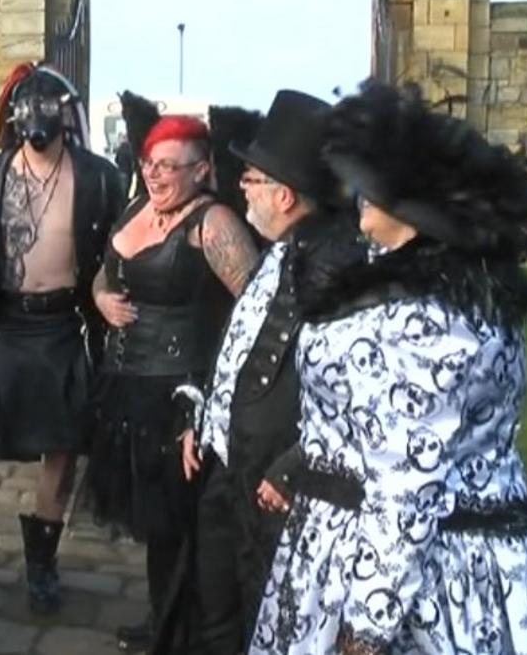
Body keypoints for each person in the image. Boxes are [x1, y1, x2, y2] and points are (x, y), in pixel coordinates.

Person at [250, 81, 527, 654]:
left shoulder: (431, 321)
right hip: (361, 539)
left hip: (422, 578)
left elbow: (406, 488)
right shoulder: (437, 285)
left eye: (375, 193)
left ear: (417, 212)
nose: (362, 204)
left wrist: (366, 632)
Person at [154, 90, 365, 654]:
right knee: (213, 605)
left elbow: (357, 394)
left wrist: (296, 464)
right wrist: (200, 411)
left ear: (285, 194)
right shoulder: (279, 249)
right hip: (230, 463)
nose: (240, 187)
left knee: (260, 616)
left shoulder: (336, 270)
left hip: (272, 483)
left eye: (250, 178)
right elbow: (239, 351)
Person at [0, 62, 126, 614]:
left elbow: (120, 253)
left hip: (64, 326)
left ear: (65, 117)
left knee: (62, 450)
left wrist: (105, 299)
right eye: (33, 113)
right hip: (6, 327)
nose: (42, 121)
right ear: (18, 120)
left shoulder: (98, 176)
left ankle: (42, 560)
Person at [84, 95, 259, 652]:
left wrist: (207, 403)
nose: (155, 174)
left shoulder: (215, 223)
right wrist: (102, 298)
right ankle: (163, 617)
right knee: (155, 527)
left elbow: (257, 316)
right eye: (149, 163)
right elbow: (101, 273)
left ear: (203, 169)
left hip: (179, 394)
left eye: (169, 165)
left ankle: (185, 633)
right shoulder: (138, 208)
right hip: (126, 389)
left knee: (184, 527)